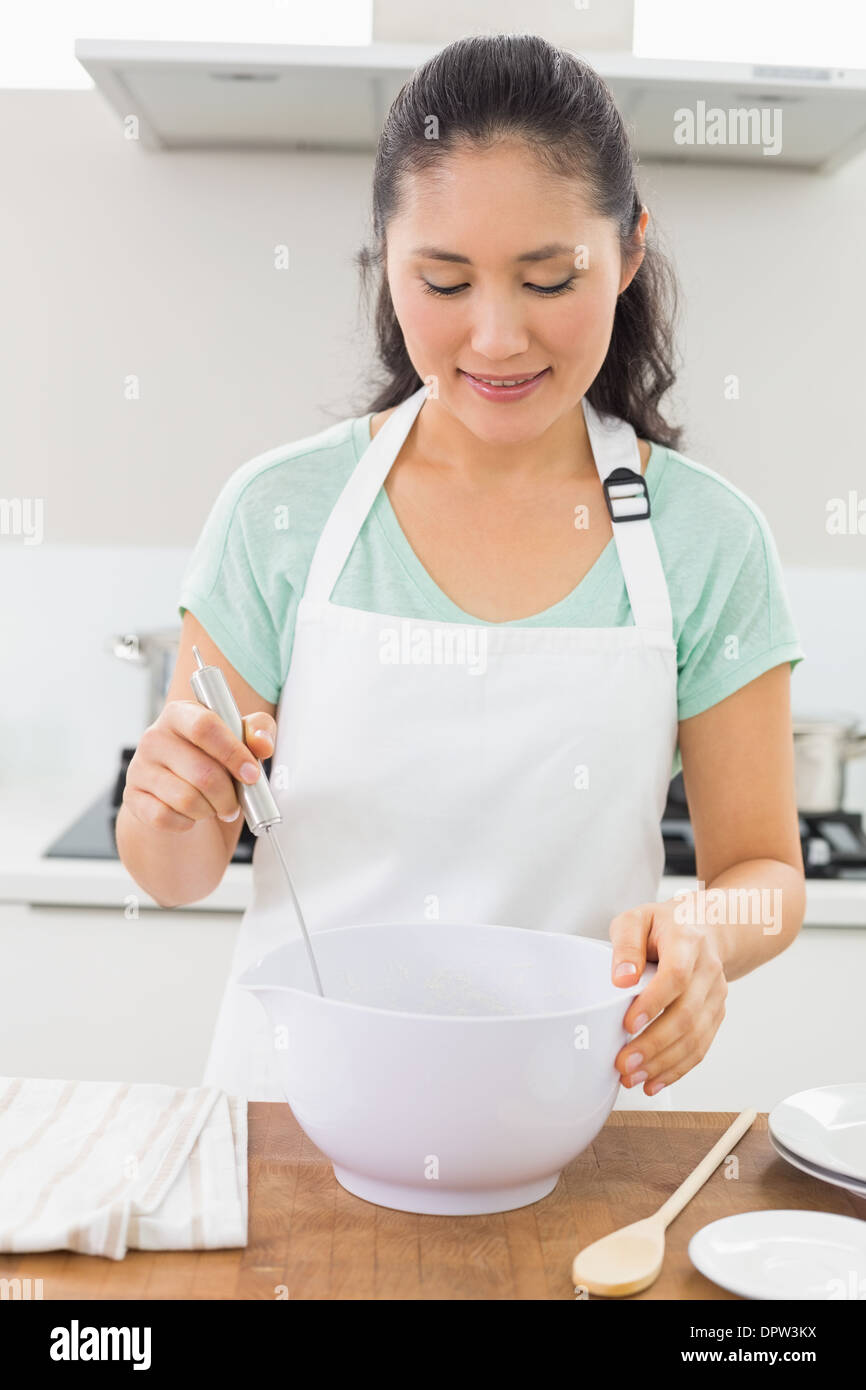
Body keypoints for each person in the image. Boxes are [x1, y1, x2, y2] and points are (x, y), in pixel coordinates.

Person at [115, 34, 806, 1106]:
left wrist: (705, 933)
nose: (494, 336)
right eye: (442, 279)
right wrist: (164, 807)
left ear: (626, 251)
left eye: (546, 277)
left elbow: (765, 877)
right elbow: (179, 871)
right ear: (385, 262)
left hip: (562, 1126)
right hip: (294, 1123)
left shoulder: (705, 540)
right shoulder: (278, 514)